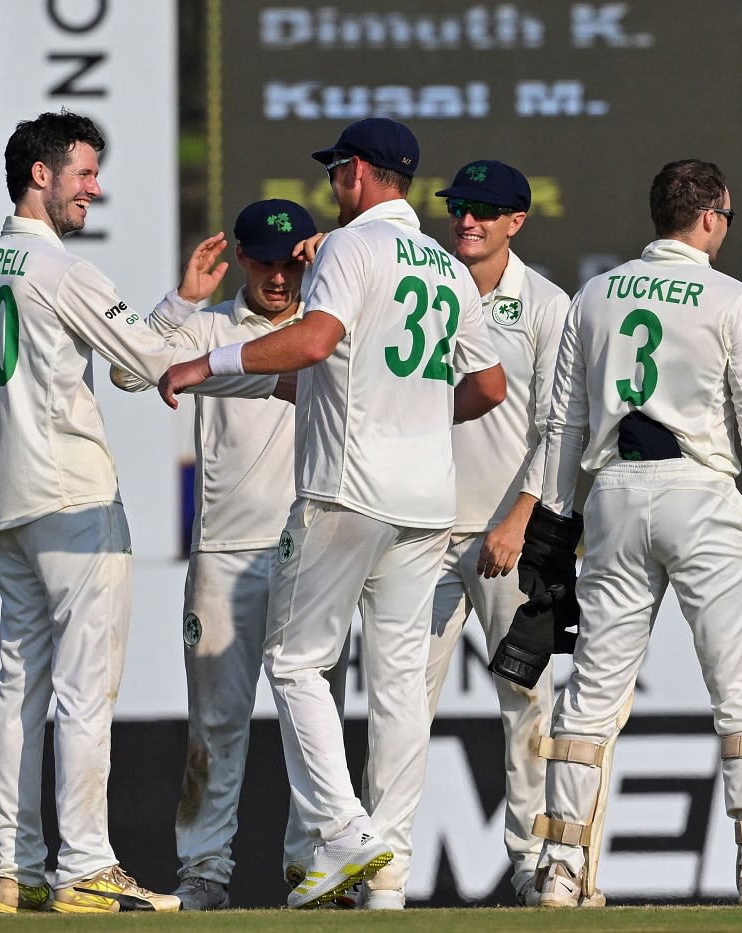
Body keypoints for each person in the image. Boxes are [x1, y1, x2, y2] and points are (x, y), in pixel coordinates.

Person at [158, 117, 507, 910]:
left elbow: (313, 343)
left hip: (348, 488)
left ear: (356, 172)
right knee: (396, 690)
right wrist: (412, 411)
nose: (331, 185)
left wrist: (204, 360)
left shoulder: (350, 246)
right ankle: (386, 881)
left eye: (335, 172)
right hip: (428, 499)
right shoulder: (450, 269)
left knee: (295, 662)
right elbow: (489, 389)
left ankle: (347, 830)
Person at [0, 109, 229, 915]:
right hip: (74, 498)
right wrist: (185, 316)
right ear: (41, 174)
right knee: (82, 690)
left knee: (19, 690)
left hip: (8, 504)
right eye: (84, 172)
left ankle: (13, 869)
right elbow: (149, 367)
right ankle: (86, 866)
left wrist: (174, 303)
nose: (95, 190)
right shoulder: (66, 272)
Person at [531, 159, 742, 908]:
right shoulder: (731, 297)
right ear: (713, 216)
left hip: (615, 496)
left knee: (591, 696)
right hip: (701, 495)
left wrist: (556, 520)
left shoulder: (595, 293)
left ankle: (561, 867)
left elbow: (564, 422)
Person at [113, 198, 323, 910]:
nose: (277, 276)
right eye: (263, 260)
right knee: (216, 724)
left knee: (311, 720)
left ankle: (314, 871)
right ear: (240, 257)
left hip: (315, 549)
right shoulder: (206, 325)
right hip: (225, 551)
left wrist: (219, 370)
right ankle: (204, 871)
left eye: (291, 261)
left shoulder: (330, 321)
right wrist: (178, 304)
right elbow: (127, 374)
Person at [423, 159, 568, 906]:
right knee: (402, 701)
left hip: (505, 538)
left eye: (484, 209)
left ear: (517, 220)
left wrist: (519, 517)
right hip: (419, 531)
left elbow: (557, 426)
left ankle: (534, 859)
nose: (467, 220)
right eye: (459, 208)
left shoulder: (546, 304)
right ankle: (382, 861)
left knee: (525, 700)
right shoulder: (425, 286)